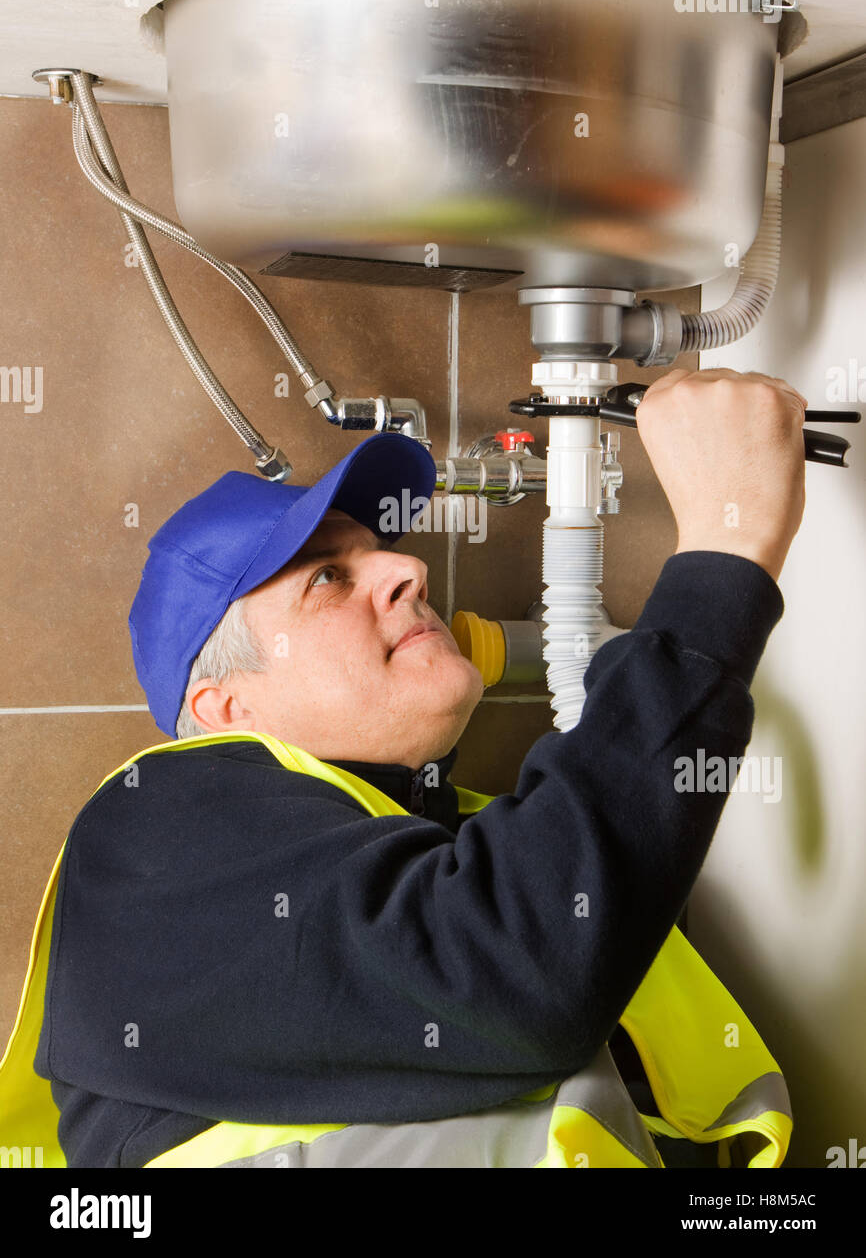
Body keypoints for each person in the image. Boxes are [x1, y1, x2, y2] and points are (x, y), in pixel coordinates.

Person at [3, 366, 807, 1168]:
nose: (409, 569)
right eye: (327, 576)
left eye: (380, 551)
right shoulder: (152, 832)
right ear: (226, 711)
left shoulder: (462, 839)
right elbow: (509, 972)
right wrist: (721, 562)